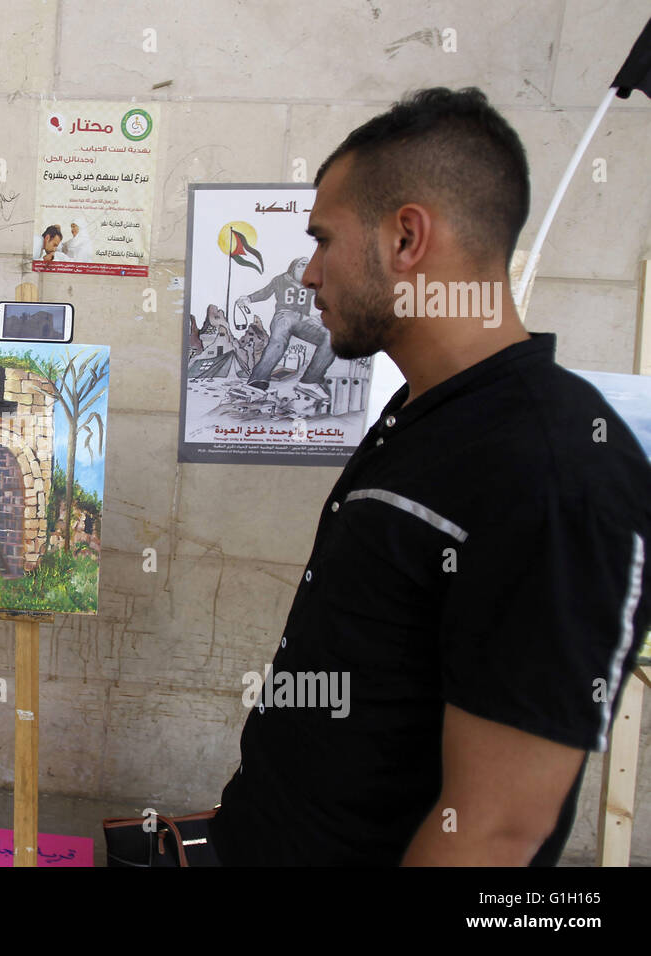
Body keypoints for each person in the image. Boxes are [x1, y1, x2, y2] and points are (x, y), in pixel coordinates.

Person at [210, 87, 651, 865]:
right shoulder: (425, 415)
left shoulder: (556, 469)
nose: (308, 274)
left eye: (322, 240)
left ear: (407, 237)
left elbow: (496, 831)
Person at [239, 256, 333, 400]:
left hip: (303, 320)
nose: (305, 269)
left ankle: (310, 380)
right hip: (284, 316)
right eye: (301, 265)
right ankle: (257, 381)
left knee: (332, 337)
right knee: (278, 340)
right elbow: (265, 293)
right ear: (293, 268)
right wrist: (248, 299)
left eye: (308, 266)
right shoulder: (280, 280)